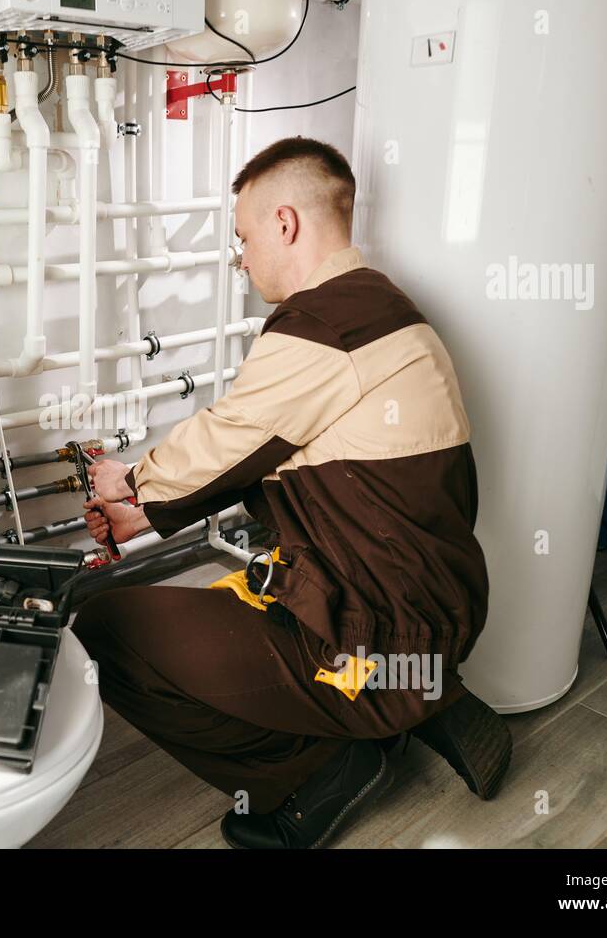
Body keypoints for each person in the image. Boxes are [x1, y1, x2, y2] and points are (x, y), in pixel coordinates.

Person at [71, 137, 511, 849]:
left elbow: (231, 436)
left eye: (243, 238)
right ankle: (422, 694)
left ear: (285, 223)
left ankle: (321, 772)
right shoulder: (387, 310)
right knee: (248, 589)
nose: (241, 259)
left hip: (378, 634)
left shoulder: (325, 324)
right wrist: (142, 512)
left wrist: (130, 485)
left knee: (105, 629)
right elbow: (269, 451)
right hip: (435, 607)